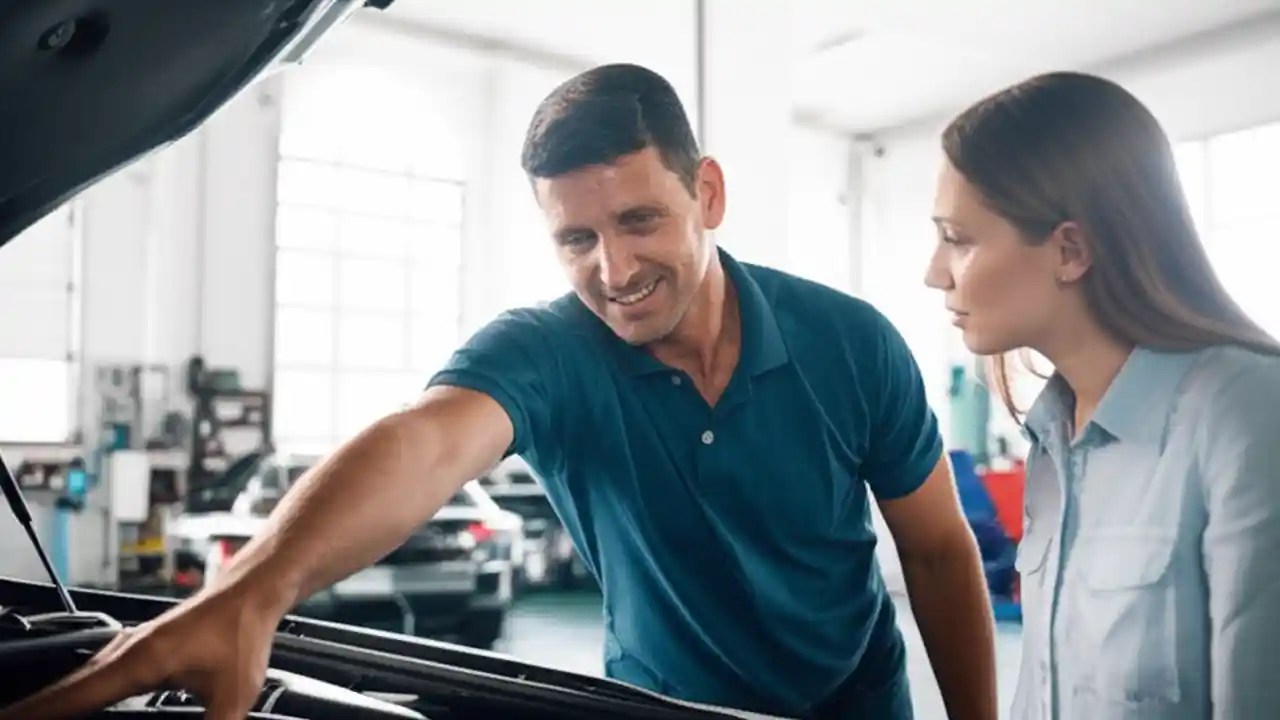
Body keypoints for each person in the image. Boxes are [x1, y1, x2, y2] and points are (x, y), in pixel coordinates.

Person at [1, 63, 997, 720]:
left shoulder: (850, 343)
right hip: (658, 708)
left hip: (859, 705)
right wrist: (253, 590)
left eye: (640, 220)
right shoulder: (549, 350)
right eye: (576, 238)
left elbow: (938, 549)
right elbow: (424, 444)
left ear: (708, 195)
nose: (612, 269)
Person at [924, 70, 1280, 719]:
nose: (934, 272)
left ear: (1070, 249)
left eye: (959, 239)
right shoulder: (1052, 436)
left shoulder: (1244, 411)